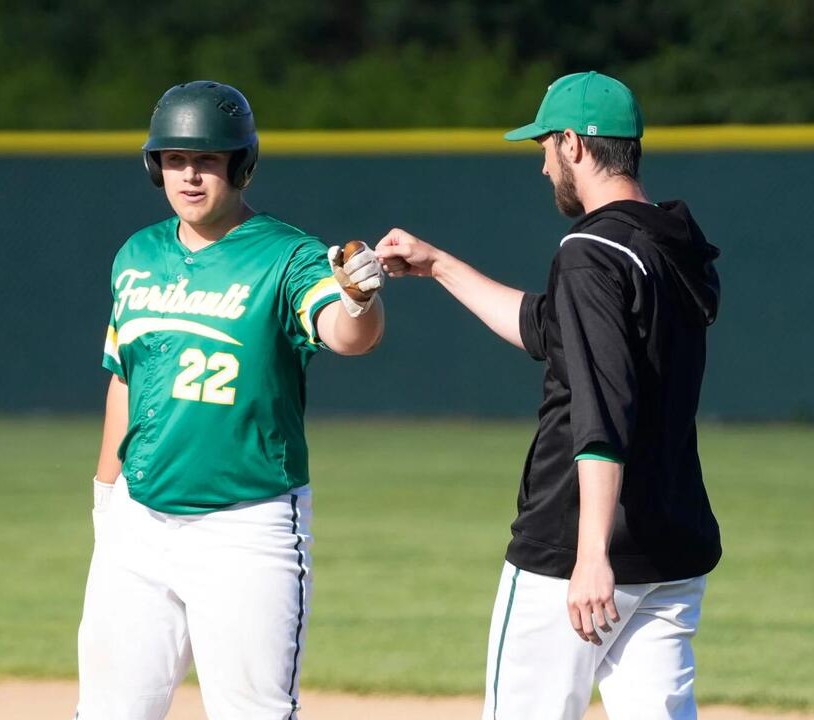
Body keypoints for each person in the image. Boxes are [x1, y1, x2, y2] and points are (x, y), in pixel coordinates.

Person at [375, 71, 721, 720]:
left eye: (544, 146)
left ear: (574, 146)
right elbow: (547, 328)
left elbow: (601, 413)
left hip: (572, 553)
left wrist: (591, 554)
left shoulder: (590, 250)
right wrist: (439, 265)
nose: (541, 165)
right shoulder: (671, 247)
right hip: (669, 550)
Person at [75, 80, 385, 720]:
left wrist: (359, 298)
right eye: (175, 159)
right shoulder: (137, 255)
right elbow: (124, 379)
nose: (189, 175)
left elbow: (348, 335)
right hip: (138, 520)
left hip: (246, 524)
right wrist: (107, 496)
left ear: (241, 165)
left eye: (208, 160)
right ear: (154, 164)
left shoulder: (288, 255)